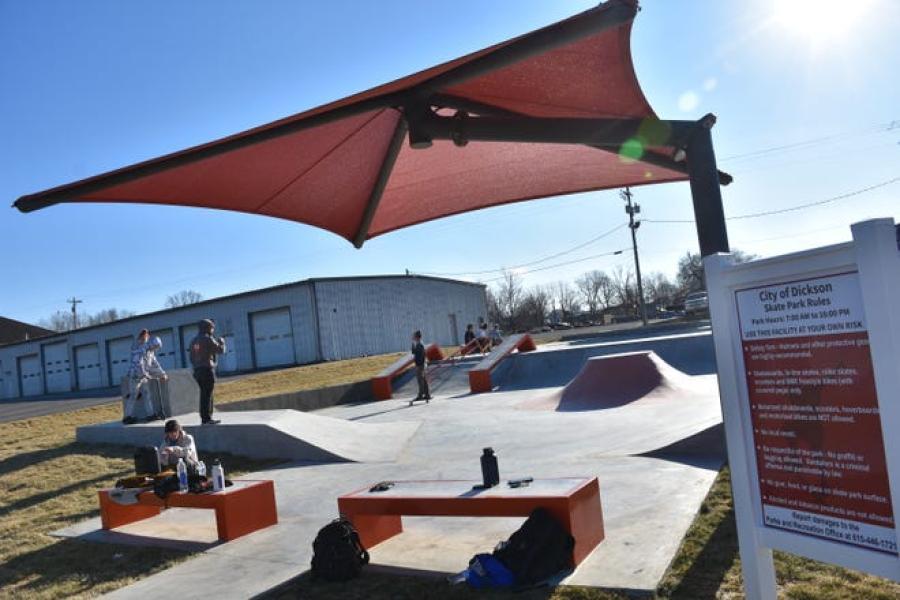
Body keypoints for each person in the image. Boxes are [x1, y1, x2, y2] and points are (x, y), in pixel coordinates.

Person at [122, 329, 166, 424]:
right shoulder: (141, 349)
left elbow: (155, 364)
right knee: (133, 395)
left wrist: (162, 374)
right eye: (156, 346)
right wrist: (146, 374)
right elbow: (138, 364)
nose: (156, 348)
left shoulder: (151, 352)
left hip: (143, 377)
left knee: (147, 394)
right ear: (152, 344)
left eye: (158, 347)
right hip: (135, 376)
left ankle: (150, 415)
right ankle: (127, 417)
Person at [189, 319, 226, 425]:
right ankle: (207, 419)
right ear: (207, 327)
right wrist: (222, 342)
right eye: (212, 327)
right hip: (206, 370)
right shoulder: (207, 338)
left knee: (204, 394)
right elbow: (220, 350)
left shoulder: (193, 341)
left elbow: (191, 357)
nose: (213, 330)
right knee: (208, 395)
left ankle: (205, 418)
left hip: (197, 371)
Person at [411, 330, 431, 401]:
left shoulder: (420, 344)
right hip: (421, 364)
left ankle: (421, 395)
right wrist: (413, 343)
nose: (412, 337)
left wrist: (419, 365)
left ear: (416, 337)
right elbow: (414, 352)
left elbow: (418, 354)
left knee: (420, 380)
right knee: (424, 380)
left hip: (420, 365)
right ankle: (427, 394)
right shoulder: (419, 344)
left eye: (414, 336)